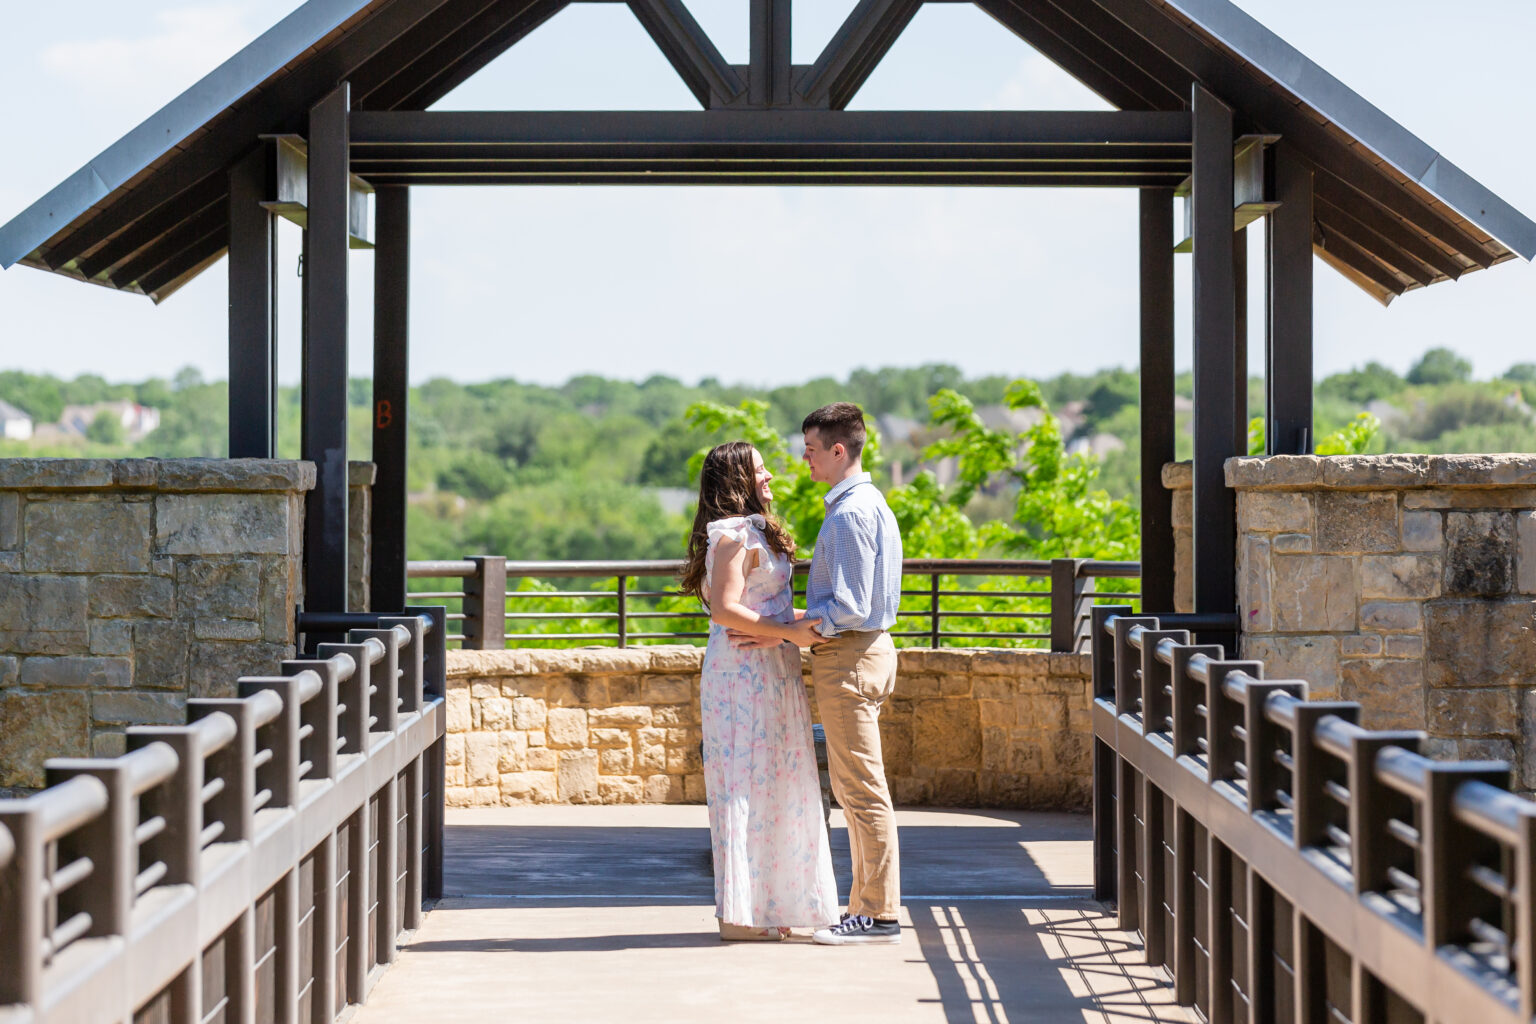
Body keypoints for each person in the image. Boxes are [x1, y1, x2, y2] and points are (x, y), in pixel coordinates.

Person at [679, 441, 836, 941]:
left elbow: (769, 608)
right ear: (738, 480)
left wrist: (810, 624)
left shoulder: (759, 530)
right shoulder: (731, 536)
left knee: (781, 784)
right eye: (760, 470)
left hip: (775, 667)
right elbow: (725, 610)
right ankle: (740, 917)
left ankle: (775, 905)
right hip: (740, 675)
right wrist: (787, 632)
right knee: (744, 784)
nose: (770, 477)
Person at [796, 402, 905, 946]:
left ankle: (877, 915)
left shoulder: (849, 513)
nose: (806, 460)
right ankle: (868, 908)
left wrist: (790, 629)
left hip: (850, 656)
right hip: (867, 652)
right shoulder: (872, 502)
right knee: (854, 786)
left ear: (839, 450)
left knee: (861, 791)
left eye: (811, 450)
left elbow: (851, 607)